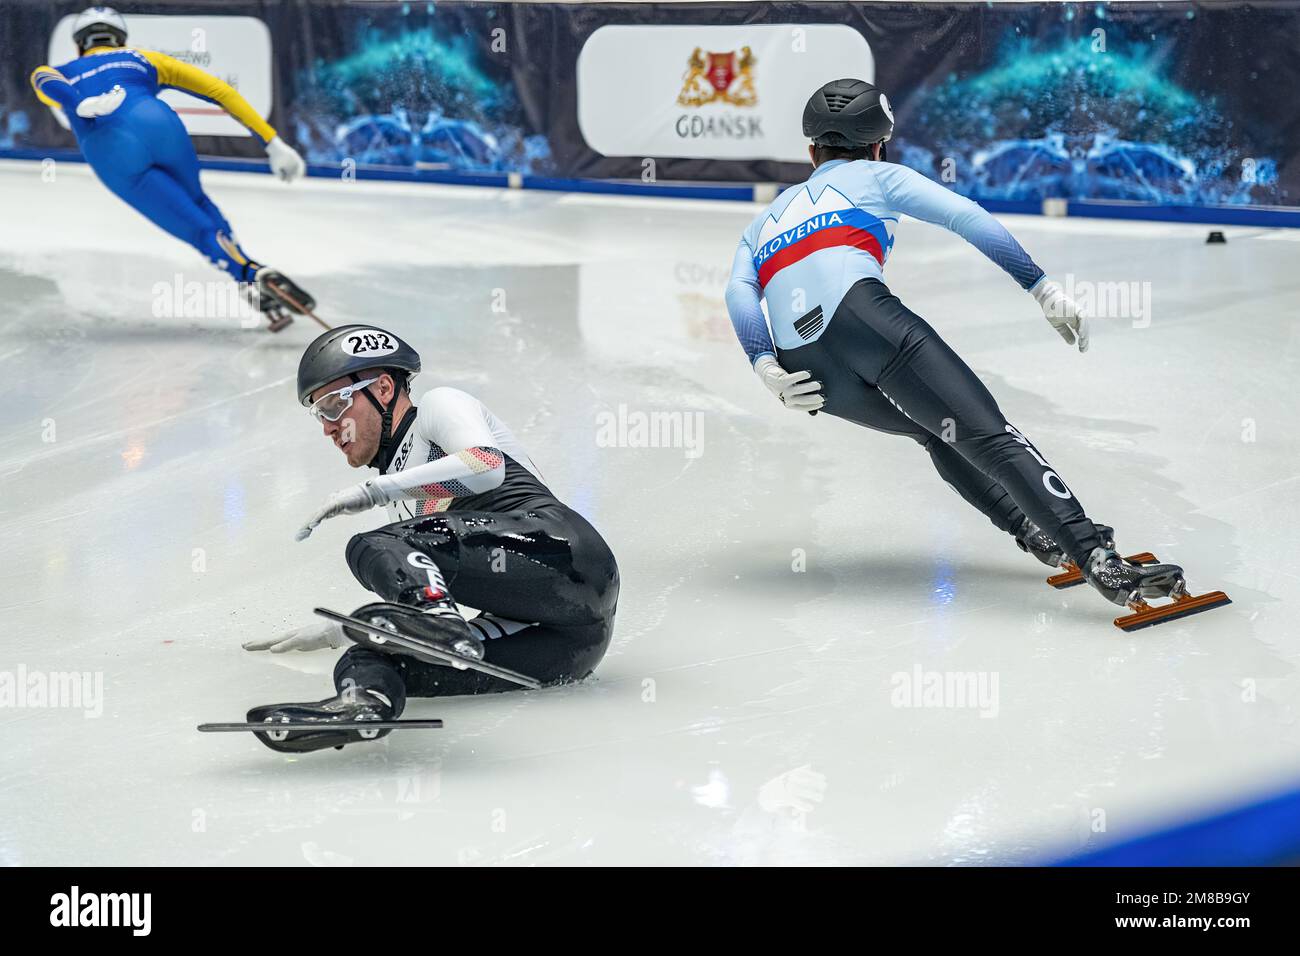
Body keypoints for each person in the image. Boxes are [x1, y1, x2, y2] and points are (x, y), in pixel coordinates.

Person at [724, 78, 1189, 615]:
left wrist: (764, 365)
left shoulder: (763, 220)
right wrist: (1039, 286)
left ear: (811, 151)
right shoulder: (880, 174)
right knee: (992, 437)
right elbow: (966, 216)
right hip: (864, 320)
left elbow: (740, 291)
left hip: (804, 369)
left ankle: (1033, 531)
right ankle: (1096, 559)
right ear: (879, 144)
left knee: (938, 434)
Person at [241, 325, 620, 752]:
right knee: (368, 654)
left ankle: (436, 622)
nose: (328, 427)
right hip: (568, 643)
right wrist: (340, 631)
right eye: (319, 414)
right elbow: (428, 575)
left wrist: (374, 492)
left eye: (333, 405)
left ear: (383, 388)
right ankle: (364, 705)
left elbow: (485, 467)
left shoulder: (437, 409)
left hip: (570, 554)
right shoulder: (402, 501)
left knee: (371, 545)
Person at [30, 6, 313, 330]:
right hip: (161, 125)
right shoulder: (142, 58)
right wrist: (272, 142)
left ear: (80, 43)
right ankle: (246, 275)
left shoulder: (63, 69)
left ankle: (249, 272)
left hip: (109, 145)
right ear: (120, 39)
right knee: (199, 204)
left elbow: (42, 79)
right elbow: (221, 91)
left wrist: (80, 103)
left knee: (193, 225)